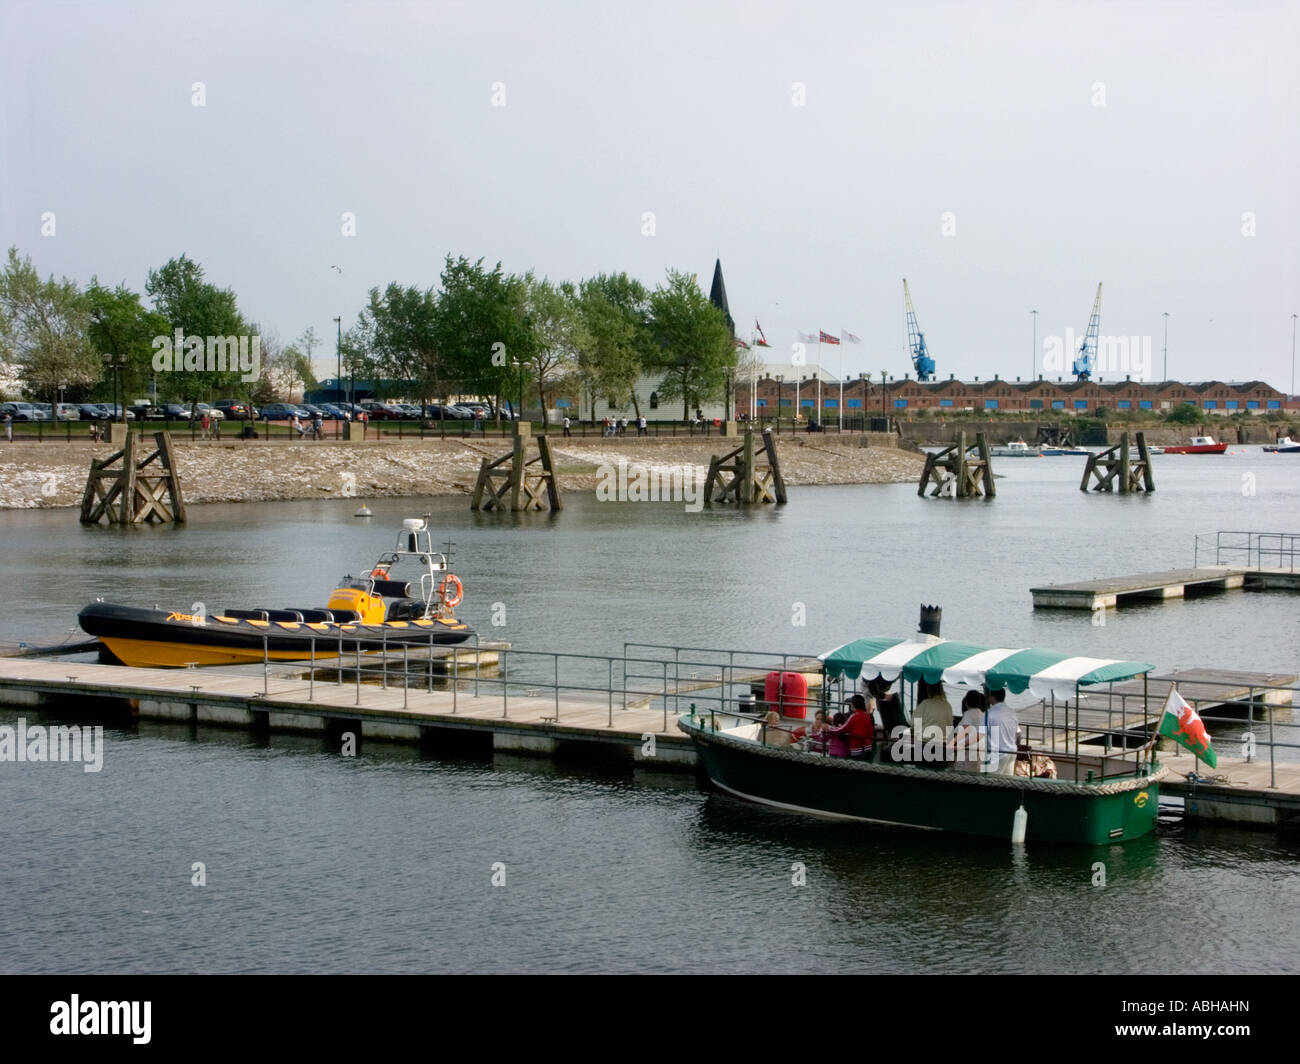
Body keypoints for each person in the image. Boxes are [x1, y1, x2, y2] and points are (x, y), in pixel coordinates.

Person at [911, 679, 953, 764]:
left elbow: (913, 724)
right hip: (942, 746)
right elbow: (950, 726)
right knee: (939, 774)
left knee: (921, 772)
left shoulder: (925, 704)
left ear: (928, 690)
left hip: (924, 744)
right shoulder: (947, 706)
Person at [826, 694, 874, 760]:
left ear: (853, 704)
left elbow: (843, 729)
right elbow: (870, 731)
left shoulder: (854, 716)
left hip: (857, 749)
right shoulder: (868, 716)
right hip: (867, 748)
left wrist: (829, 729)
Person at [984, 688, 1020, 775]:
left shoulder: (989, 713)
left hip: (997, 755)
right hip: (1011, 752)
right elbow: (1018, 733)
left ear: (991, 696)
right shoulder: (1012, 712)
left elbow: (980, 735)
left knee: (991, 782)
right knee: (1007, 782)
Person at [950, 690, 987, 771]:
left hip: (967, 750)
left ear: (966, 702)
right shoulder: (983, 715)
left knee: (961, 773)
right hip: (978, 750)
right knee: (974, 774)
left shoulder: (968, 714)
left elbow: (966, 732)